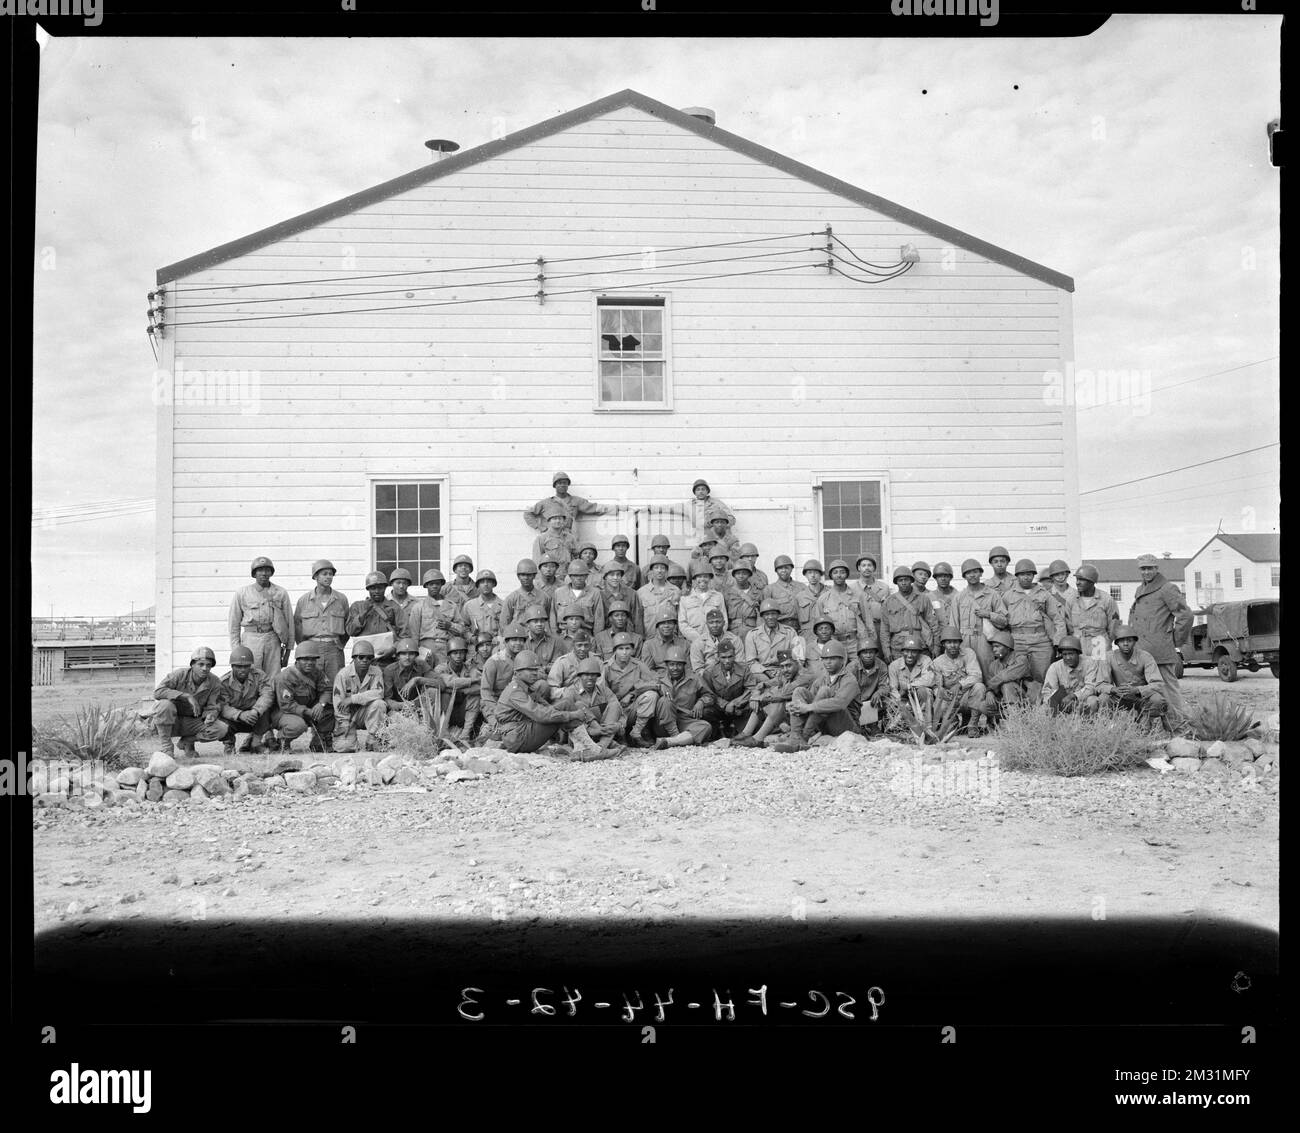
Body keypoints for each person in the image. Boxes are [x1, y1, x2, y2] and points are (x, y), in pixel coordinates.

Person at [1128, 552, 1193, 721]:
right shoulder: (1139, 589)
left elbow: (1185, 615)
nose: (1146, 572)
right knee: (1146, 690)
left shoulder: (1167, 588)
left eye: (1150, 568)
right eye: (1143, 569)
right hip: (1142, 649)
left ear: (1156, 568)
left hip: (1160, 650)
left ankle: (1180, 724)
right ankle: (1153, 726)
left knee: (1168, 689)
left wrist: (1173, 641)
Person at [493, 650, 596, 754]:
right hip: (518, 738)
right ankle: (590, 748)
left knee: (566, 703)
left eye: (536, 670)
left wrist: (563, 716)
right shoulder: (515, 691)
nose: (534, 673)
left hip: (521, 731)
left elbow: (547, 707)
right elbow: (541, 715)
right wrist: (572, 715)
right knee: (564, 709)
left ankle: (583, 746)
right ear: (517, 673)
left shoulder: (526, 687)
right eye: (530, 670)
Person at [779, 640, 860, 751]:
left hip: (846, 727)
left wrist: (807, 707)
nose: (828, 662)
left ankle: (804, 737)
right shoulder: (822, 679)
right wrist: (795, 706)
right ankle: (796, 736)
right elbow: (811, 703)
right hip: (824, 724)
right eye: (825, 659)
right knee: (799, 691)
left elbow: (840, 703)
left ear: (842, 660)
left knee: (824, 691)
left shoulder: (849, 680)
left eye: (832, 659)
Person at [152, 646, 230, 756]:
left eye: (208, 665)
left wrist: (210, 715)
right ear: (192, 665)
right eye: (201, 664)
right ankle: (167, 748)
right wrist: (186, 696)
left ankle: (187, 742)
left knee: (221, 729)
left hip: (193, 722)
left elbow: (213, 706)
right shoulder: (179, 675)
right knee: (164, 705)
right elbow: (158, 692)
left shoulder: (214, 682)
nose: (204, 668)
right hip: (172, 720)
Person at [1003, 558, 1066, 685]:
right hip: (1017, 641)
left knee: (1042, 675)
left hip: (1040, 641)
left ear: (1033, 575)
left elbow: (1057, 619)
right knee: (1016, 676)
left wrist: (1058, 642)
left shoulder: (1044, 594)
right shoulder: (1008, 595)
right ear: (1017, 576)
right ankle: (1019, 704)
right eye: (1022, 574)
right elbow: (1002, 621)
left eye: (1029, 574)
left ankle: (1042, 703)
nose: (1026, 577)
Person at [228, 556, 295, 676]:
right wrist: (237, 650)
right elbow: (233, 624)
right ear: (254, 573)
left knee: (273, 677)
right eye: (260, 570)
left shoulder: (280, 593)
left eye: (267, 570)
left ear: (271, 572)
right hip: (251, 639)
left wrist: (288, 651)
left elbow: (289, 623)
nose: (264, 573)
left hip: (273, 639)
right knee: (252, 675)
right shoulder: (242, 593)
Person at [733, 652, 817, 747]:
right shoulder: (788, 673)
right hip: (792, 713)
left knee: (777, 700)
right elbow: (776, 680)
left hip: (806, 718)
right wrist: (762, 685)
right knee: (768, 697)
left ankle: (757, 739)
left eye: (788, 665)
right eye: (782, 666)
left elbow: (784, 694)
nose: (785, 670)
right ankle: (746, 733)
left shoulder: (805, 676)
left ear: (797, 663)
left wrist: (758, 698)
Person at [602, 633, 667, 747]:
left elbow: (653, 682)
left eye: (627, 648)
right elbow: (601, 691)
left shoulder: (638, 665)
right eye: (620, 649)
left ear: (632, 650)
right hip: (613, 709)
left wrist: (633, 693)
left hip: (632, 708)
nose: (624, 652)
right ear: (614, 650)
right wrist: (614, 704)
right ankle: (618, 735)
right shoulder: (606, 667)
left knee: (651, 695)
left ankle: (637, 732)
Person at [271, 640, 335, 753]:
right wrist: (308, 711)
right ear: (297, 660)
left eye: (313, 659)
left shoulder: (317, 673)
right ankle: (282, 743)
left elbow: (326, 690)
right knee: (298, 725)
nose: (309, 662)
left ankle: (318, 742)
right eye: (305, 659)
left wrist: (321, 704)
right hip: (284, 713)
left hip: (308, 709)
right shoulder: (285, 677)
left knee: (330, 709)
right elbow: (287, 705)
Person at [950, 559, 1009, 682]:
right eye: (968, 573)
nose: (972, 575)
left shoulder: (992, 595)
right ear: (964, 576)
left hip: (985, 639)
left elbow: (1004, 620)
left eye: (975, 571)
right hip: (964, 640)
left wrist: (988, 614)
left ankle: (990, 696)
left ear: (981, 573)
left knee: (988, 670)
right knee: (965, 671)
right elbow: (954, 625)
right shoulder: (959, 597)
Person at [294, 559, 350, 686]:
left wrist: (340, 644)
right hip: (312, 648)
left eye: (330, 574)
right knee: (311, 682)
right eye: (324, 574)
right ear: (315, 576)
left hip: (334, 648)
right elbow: (297, 625)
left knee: (336, 683)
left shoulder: (341, 599)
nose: (328, 577)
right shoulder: (304, 600)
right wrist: (305, 648)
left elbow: (347, 624)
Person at [552, 656, 626, 753]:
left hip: (604, 730)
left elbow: (620, 711)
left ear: (597, 676)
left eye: (593, 675)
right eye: (586, 675)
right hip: (581, 733)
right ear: (579, 676)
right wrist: (591, 730)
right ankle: (607, 745)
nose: (590, 678)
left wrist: (619, 726)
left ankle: (601, 746)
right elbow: (565, 721)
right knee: (579, 705)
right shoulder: (571, 692)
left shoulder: (604, 690)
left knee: (615, 705)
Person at [1097, 624, 1168, 723]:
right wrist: (1113, 689)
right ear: (1116, 643)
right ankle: (1111, 725)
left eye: (1129, 640)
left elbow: (1158, 684)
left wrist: (1137, 690)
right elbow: (1100, 684)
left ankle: (1144, 720)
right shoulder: (1109, 657)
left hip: (1140, 697)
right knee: (1103, 698)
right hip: (1119, 696)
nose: (1125, 644)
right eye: (1122, 641)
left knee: (1158, 700)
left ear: (1134, 642)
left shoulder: (1145, 656)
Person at [649, 644, 715, 748]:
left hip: (684, 720)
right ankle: (677, 737)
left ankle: (670, 742)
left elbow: (709, 695)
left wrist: (701, 702)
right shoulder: (658, 678)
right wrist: (658, 688)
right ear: (666, 665)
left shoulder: (694, 678)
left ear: (684, 665)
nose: (675, 668)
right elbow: (641, 689)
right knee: (665, 701)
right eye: (671, 664)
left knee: (706, 727)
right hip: (661, 723)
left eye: (679, 665)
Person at [929, 626, 990, 735]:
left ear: (960, 642)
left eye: (955, 642)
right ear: (943, 644)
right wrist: (942, 693)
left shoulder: (969, 653)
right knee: (940, 704)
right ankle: (953, 723)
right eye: (949, 642)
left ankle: (972, 725)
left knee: (980, 687)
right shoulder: (937, 662)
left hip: (967, 696)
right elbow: (935, 686)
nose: (952, 645)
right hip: (950, 698)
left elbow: (977, 675)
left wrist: (960, 684)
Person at [331, 639, 388, 753]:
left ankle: (373, 738)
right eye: (360, 657)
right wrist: (344, 723)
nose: (365, 661)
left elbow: (378, 693)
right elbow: (338, 703)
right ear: (354, 658)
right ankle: (349, 738)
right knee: (345, 748)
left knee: (379, 704)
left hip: (365, 713)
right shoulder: (343, 675)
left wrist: (352, 699)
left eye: (368, 658)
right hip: (348, 716)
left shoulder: (376, 672)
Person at [218, 644, 275, 756]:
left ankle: (256, 743)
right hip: (234, 718)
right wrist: (240, 714)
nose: (243, 670)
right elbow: (223, 706)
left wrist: (255, 711)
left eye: (246, 666)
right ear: (232, 666)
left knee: (267, 709)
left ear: (251, 666)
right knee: (220, 717)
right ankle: (229, 744)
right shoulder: (223, 682)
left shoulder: (260, 676)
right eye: (238, 666)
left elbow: (267, 694)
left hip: (253, 716)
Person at [409, 569, 469, 667]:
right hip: (425, 648)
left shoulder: (452, 605)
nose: (434, 586)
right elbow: (414, 634)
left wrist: (450, 626)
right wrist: (416, 654)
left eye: (437, 583)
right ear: (426, 586)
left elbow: (462, 629)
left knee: (444, 676)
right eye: (431, 584)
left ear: (441, 585)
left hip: (447, 648)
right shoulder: (418, 607)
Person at [523, 472, 612, 537]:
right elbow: (527, 514)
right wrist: (541, 528)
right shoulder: (546, 503)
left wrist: (617, 508)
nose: (562, 485)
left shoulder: (576, 501)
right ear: (555, 485)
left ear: (568, 485)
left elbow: (594, 507)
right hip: (551, 537)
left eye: (565, 483)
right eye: (559, 483)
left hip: (570, 536)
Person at [879, 565, 940, 661]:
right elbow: (884, 629)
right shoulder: (889, 601)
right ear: (896, 582)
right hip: (898, 646)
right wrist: (886, 651)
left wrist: (936, 647)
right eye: (900, 580)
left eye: (906, 580)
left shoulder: (923, 599)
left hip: (920, 644)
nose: (903, 583)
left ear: (911, 580)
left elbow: (933, 625)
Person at [1065, 563, 1121, 663]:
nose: (1078, 583)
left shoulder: (1106, 599)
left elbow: (1114, 626)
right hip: (1078, 642)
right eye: (1077, 579)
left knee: (1100, 673)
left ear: (1092, 581)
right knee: (1080, 673)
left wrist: (1107, 641)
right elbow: (1068, 624)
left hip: (1099, 642)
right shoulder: (1071, 600)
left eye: (1081, 580)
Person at [813, 559, 870, 655]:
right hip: (833, 643)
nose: (839, 575)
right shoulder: (823, 599)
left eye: (842, 572)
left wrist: (869, 643)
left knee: (857, 668)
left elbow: (868, 621)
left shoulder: (858, 596)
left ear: (847, 574)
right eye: (835, 572)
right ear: (831, 575)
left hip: (855, 642)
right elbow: (818, 625)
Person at [697, 638, 752, 738]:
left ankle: (740, 730)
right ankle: (716, 733)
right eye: (723, 657)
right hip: (719, 708)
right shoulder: (709, 672)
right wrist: (725, 704)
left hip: (739, 707)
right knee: (706, 712)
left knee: (753, 705)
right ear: (717, 657)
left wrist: (735, 702)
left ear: (735, 655)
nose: (727, 661)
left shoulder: (744, 669)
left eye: (730, 657)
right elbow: (708, 693)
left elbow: (751, 689)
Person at [480, 623, 527, 735]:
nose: (518, 643)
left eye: (521, 640)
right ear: (506, 642)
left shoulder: (525, 658)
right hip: (495, 704)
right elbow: (485, 692)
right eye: (514, 640)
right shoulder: (494, 662)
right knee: (502, 731)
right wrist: (497, 710)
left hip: (517, 702)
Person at [432, 637, 484, 741]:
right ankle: (444, 733)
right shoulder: (441, 668)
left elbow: (480, 686)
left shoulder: (469, 668)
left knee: (475, 697)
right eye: (455, 653)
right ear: (449, 655)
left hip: (463, 713)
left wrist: (466, 689)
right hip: (444, 714)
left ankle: (465, 734)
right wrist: (471, 681)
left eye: (461, 653)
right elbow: (450, 682)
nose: (458, 656)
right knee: (444, 695)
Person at [744, 599, 806, 680]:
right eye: (767, 614)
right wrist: (765, 671)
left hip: (786, 670)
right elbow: (751, 662)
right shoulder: (752, 635)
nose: (770, 617)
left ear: (778, 615)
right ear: (762, 616)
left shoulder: (790, 632)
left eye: (773, 614)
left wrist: (784, 671)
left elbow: (797, 659)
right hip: (762, 672)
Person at [1040, 636, 1103, 715]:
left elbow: (1091, 688)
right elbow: (1048, 691)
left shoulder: (1090, 663)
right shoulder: (1055, 667)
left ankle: (1087, 724)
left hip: (1082, 700)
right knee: (1043, 709)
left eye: (1071, 654)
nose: (1068, 657)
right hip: (1062, 701)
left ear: (1078, 653)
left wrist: (1073, 696)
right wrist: (1059, 702)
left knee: (1092, 701)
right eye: (1064, 654)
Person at [981, 629, 1036, 718]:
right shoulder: (993, 665)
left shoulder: (1021, 659)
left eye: (997, 646)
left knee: (1007, 685)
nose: (994, 650)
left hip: (1024, 701)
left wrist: (990, 686)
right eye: (993, 647)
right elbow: (990, 684)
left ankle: (1015, 721)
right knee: (982, 705)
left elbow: (1005, 676)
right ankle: (1001, 721)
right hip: (1003, 701)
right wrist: (989, 692)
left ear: (1008, 647)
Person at [381, 638, 442, 714]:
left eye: (411, 654)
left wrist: (418, 680)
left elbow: (441, 684)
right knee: (395, 716)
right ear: (398, 656)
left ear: (416, 655)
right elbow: (387, 699)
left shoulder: (421, 665)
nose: (407, 657)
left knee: (433, 691)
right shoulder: (390, 670)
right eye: (403, 654)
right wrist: (403, 705)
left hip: (418, 706)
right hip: (398, 709)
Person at [849, 637, 890, 736]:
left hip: (872, 701)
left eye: (871, 652)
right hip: (856, 700)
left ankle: (875, 726)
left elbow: (884, 686)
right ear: (859, 655)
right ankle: (860, 726)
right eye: (864, 653)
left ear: (875, 653)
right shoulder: (852, 667)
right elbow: (848, 689)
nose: (868, 655)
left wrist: (879, 692)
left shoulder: (882, 665)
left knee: (887, 701)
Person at [554, 560, 606, 635]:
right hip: (564, 635)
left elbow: (599, 620)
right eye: (575, 575)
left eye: (582, 575)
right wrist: (555, 638)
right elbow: (553, 617)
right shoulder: (559, 593)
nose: (579, 578)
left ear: (586, 576)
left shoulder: (594, 593)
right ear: (570, 576)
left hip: (586, 634)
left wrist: (597, 639)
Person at [678, 564, 726, 644]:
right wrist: (698, 639)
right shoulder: (685, 598)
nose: (702, 579)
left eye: (705, 576)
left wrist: (716, 638)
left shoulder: (718, 596)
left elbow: (724, 620)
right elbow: (682, 624)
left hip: (715, 642)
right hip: (692, 642)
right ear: (695, 579)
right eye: (699, 577)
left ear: (710, 578)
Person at [346, 571, 402, 641]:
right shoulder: (357, 606)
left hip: (387, 649)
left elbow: (404, 633)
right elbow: (350, 631)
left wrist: (393, 648)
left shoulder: (394, 607)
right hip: (364, 650)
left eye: (380, 588)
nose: (377, 591)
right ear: (368, 589)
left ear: (385, 588)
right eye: (373, 588)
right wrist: (362, 615)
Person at [637, 554, 681, 638]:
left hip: (672, 639)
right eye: (656, 567)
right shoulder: (641, 592)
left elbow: (680, 618)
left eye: (662, 568)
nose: (659, 570)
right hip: (650, 639)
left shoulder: (675, 591)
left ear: (667, 571)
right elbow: (638, 620)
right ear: (651, 570)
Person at [888, 637, 935, 713]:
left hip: (921, 699)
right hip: (903, 699)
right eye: (906, 651)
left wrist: (909, 686)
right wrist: (901, 703)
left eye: (914, 652)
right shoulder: (894, 666)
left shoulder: (926, 660)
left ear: (919, 653)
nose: (909, 655)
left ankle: (925, 719)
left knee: (924, 691)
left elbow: (929, 680)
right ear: (902, 652)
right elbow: (893, 689)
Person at [502, 558, 553, 629]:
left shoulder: (544, 597)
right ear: (518, 576)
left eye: (529, 575)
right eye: (523, 575)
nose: (526, 578)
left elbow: (548, 621)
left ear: (534, 576)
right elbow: (504, 624)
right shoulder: (511, 599)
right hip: (518, 637)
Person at [689, 607, 744, 672]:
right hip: (707, 678)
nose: (715, 625)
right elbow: (698, 669)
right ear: (706, 624)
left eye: (718, 622)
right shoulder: (698, 643)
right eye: (711, 622)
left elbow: (740, 664)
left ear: (724, 623)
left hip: (731, 677)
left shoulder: (734, 640)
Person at [462, 569, 506, 644]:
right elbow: (463, 627)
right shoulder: (470, 605)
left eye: (489, 581)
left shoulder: (504, 605)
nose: (486, 584)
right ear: (478, 585)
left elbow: (507, 627)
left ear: (493, 584)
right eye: (482, 582)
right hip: (476, 647)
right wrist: (472, 638)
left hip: (497, 647)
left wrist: (500, 638)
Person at [763, 555, 804, 631]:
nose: (784, 570)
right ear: (776, 570)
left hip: (799, 628)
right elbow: (765, 614)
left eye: (786, 568)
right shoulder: (769, 589)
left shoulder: (801, 587)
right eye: (780, 568)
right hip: (779, 629)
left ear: (791, 569)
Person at [600, 562, 643, 633]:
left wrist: (638, 638)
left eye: (618, 575)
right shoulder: (600, 595)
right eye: (612, 575)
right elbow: (599, 621)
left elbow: (637, 619)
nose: (615, 578)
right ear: (605, 577)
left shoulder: (631, 594)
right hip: (608, 635)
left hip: (628, 634)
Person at [725, 561, 763, 639]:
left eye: (744, 573)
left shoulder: (757, 593)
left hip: (753, 632)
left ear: (749, 575)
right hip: (733, 633)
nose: (741, 576)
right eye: (738, 573)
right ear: (734, 575)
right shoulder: (727, 593)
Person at [387, 568, 418, 640]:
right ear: (392, 583)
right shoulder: (385, 602)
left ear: (408, 584)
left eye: (404, 583)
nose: (401, 586)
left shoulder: (416, 603)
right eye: (398, 583)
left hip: (411, 642)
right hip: (391, 643)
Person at [929, 563, 960, 628]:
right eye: (940, 576)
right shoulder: (929, 597)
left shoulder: (959, 596)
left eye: (946, 576)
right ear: (936, 578)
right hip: (937, 635)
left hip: (955, 634)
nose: (943, 579)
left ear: (950, 578)